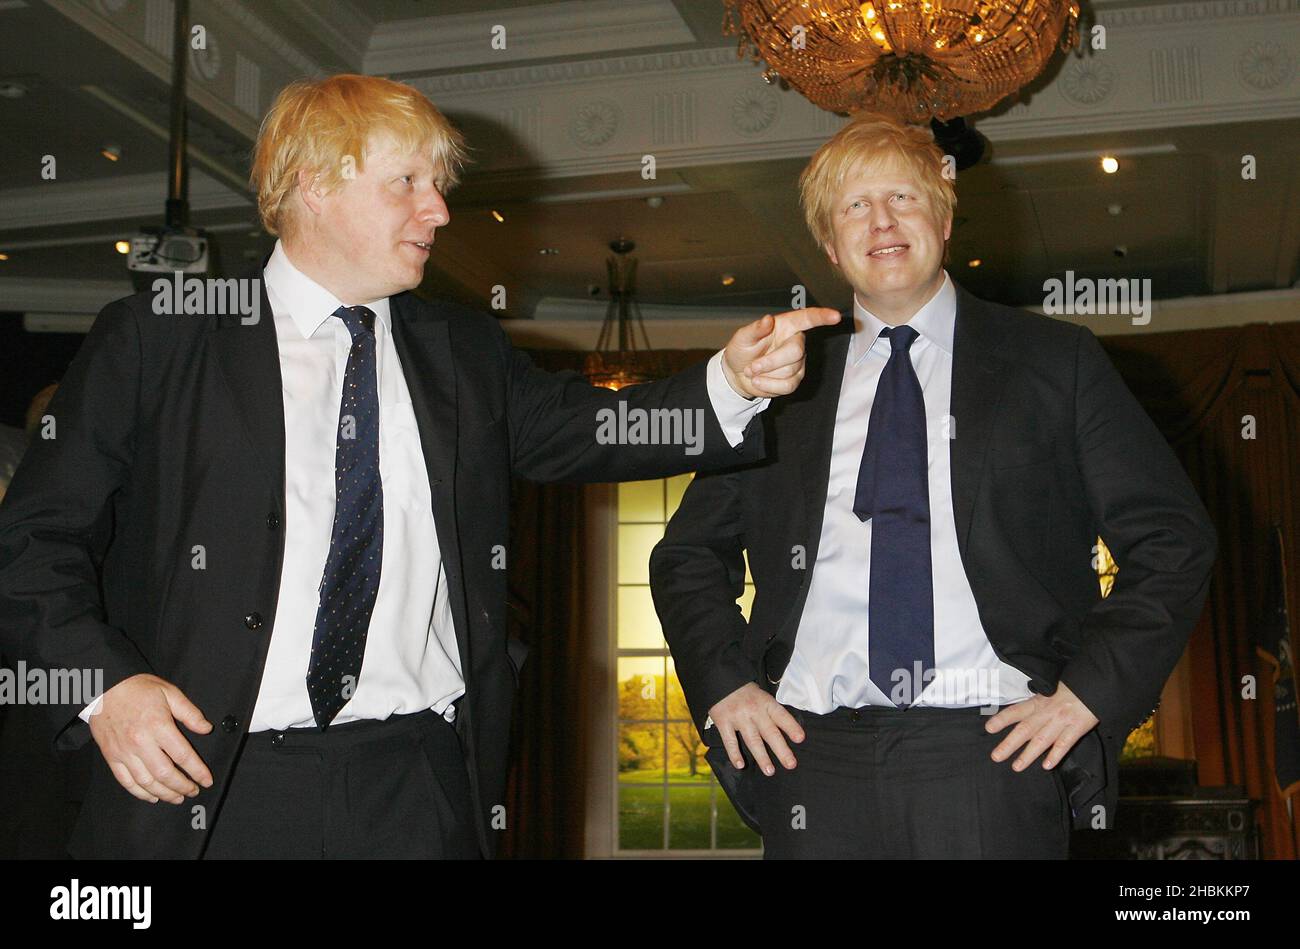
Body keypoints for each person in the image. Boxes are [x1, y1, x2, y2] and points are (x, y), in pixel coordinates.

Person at [0, 73, 838, 859]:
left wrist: (728, 383)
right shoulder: (162, 338)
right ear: (312, 183)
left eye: (439, 186)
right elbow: (31, 543)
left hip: (419, 782)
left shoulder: (461, 351)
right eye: (407, 182)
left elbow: (590, 428)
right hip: (208, 785)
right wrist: (106, 688)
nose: (437, 211)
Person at [649, 113, 1217, 859]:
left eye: (903, 198)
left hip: (994, 762)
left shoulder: (1057, 363)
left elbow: (1174, 541)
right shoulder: (783, 381)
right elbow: (686, 556)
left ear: (944, 219)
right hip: (812, 765)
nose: (880, 220)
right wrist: (725, 684)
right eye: (855, 206)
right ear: (829, 243)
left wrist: (1087, 696)